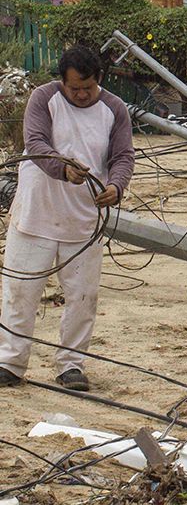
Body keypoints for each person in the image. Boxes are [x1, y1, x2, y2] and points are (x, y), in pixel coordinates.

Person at [0, 45, 135, 391]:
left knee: (82, 298)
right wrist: (63, 169)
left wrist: (116, 186)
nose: (80, 94)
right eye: (74, 88)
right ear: (63, 81)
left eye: (87, 88)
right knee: (20, 293)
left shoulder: (114, 109)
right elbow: (36, 143)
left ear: (98, 80)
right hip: (36, 215)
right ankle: (11, 363)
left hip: (84, 221)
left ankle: (71, 365)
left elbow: (123, 156)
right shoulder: (43, 100)